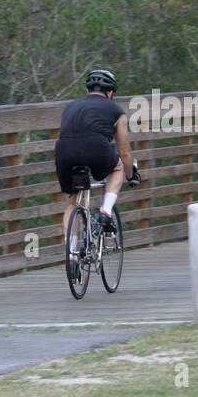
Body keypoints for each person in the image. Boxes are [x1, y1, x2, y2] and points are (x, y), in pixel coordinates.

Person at [55, 69, 140, 280]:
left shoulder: (70, 107)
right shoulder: (116, 111)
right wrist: (131, 175)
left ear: (87, 90)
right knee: (118, 167)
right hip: (95, 148)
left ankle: (72, 255)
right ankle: (104, 211)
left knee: (71, 204)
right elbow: (125, 152)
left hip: (64, 151)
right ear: (111, 93)